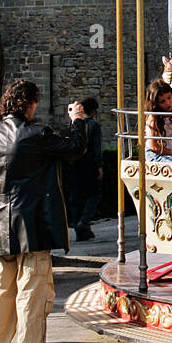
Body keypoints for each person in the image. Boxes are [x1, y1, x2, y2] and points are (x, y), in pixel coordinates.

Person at [0, 80, 87, 343]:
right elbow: (76, 148)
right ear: (31, 103)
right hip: (33, 224)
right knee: (31, 292)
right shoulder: (37, 134)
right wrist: (78, 121)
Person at [67, 96, 102, 240]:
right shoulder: (94, 125)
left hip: (76, 164)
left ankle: (79, 227)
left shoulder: (76, 123)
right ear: (93, 110)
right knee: (94, 194)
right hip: (90, 164)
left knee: (77, 197)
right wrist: (99, 165)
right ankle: (84, 222)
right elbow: (96, 147)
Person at [144, 78, 172, 158]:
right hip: (155, 153)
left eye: (169, 98)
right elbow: (153, 146)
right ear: (156, 104)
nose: (168, 103)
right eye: (163, 101)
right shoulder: (153, 118)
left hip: (170, 150)